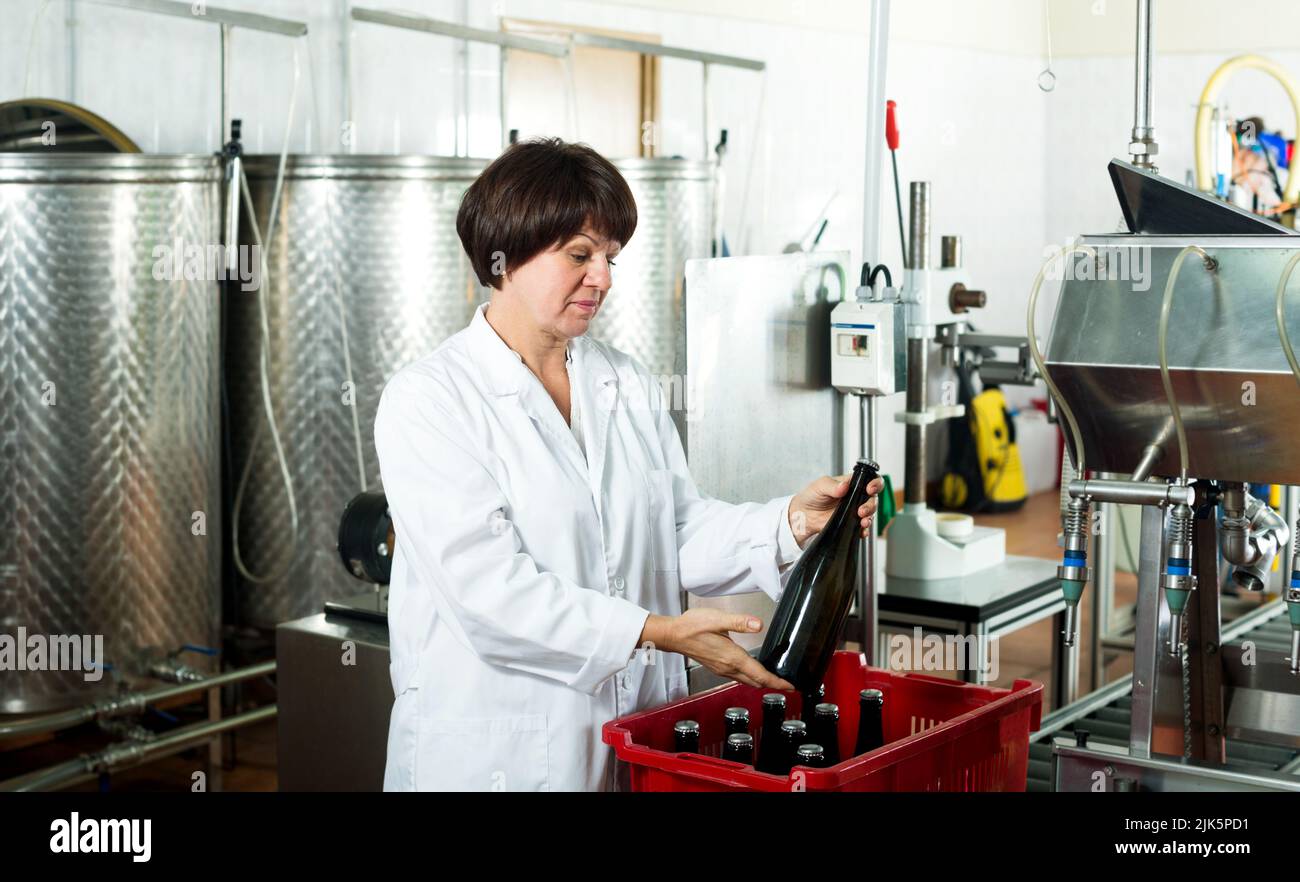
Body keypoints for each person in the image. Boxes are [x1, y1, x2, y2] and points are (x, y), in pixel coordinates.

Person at [374, 137, 881, 791]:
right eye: (580, 255)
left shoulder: (625, 383)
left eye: (610, 256)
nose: (605, 278)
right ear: (506, 256)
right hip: (501, 754)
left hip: (634, 739)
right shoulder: (430, 401)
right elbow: (489, 596)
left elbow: (670, 536)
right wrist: (658, 632)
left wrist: (788, 523)